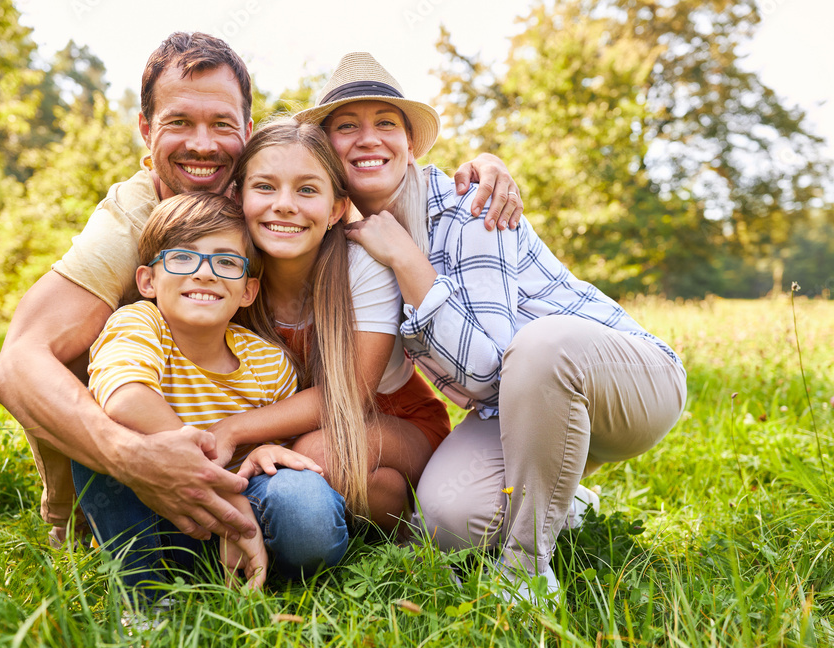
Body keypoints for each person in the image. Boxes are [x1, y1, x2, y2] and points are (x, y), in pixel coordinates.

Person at [0, 31, 525, 550]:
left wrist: (485, 166)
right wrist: (133, 454)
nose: (202, 143)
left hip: (365, 418)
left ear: (245, 132)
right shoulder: (167, 221)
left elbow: (381, 174)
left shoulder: (323, 228)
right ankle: (75, 512)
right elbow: (17, 365)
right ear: (146, 133)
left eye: (220, 124)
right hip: (276, 418)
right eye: (179, 122)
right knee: (85, 344)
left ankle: (410, 513)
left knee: (319, 458)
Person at [295, 52, 688, 601]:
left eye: (386, 123)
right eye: (346, 127)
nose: (368, 140)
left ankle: (527, 570)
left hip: (627, 381)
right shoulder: (353, 238)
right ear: (326, 149)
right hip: (515, 411)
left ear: (410, 143)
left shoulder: (472, 205)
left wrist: (410, 263)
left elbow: (489, 370)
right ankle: (564, 498)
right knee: (446, 517)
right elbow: (496, 396)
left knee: (540, 347)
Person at [71, 192, 347, 598]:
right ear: (148, 281)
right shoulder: (140, 323)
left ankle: (253, 568)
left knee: (304, 502)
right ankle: (145, 593)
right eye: (183, 258)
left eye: (226, 261)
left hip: (239, 516)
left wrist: (263, 453)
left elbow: (280, 447)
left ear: (249, 290)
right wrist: (214, 484)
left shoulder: (267, 361)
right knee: (94, 441)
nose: (204, 273)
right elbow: (125, 398)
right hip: (155, 518)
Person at [201, 119, 451, 529]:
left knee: (316, 453)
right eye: (264, 187)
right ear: (238, 195)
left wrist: (233, 429)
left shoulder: (360, 265)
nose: (284, 204)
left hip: (396, 423)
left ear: (337, 208)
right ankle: (390, 511)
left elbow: (349, 391)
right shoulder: (231, 272)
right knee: (364, 483)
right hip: (296, 432)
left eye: (307, 190)